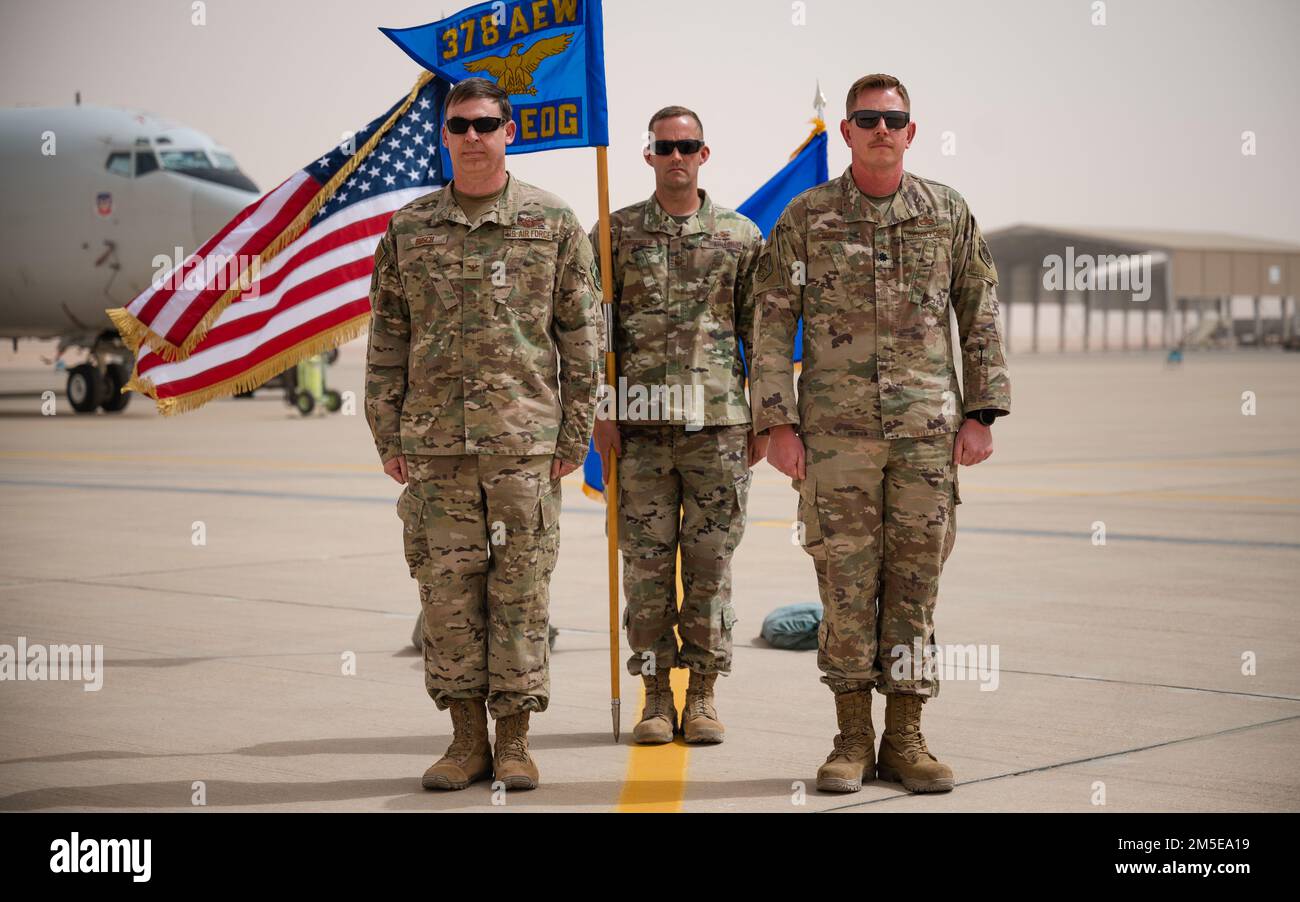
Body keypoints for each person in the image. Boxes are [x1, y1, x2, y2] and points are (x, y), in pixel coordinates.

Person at [750, 74, 1010, 794]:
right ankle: (850, 740)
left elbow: (978, 308)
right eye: (866, 118)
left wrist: (981, 411)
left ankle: (905, 738)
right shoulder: (807, 216)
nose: (880, 129)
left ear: (911, 130)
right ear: (847, 131)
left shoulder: (945, 212)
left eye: (893, 119)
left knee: (915, 588)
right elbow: (771, 320)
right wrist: (776, 421)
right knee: (843, 586)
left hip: (927, 435)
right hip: (835, 439)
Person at [365, 77, 603, 791]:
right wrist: (389, 434)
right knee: (446, 598)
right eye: (460, 125)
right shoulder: (408, 229)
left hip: (522, 449)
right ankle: (465, 740)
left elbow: (582, 341)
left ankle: (517, 740)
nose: (473, 136)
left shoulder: (552, 223)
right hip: (435, 449)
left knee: (522, 597)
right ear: (445, 135)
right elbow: (388, 339)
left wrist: (573, 437)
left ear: (510, 132)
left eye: (486, 124)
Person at [591, 105, 764, 745]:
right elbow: (590, 334)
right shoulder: (613, 234)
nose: (676, 156)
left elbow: (762, 333)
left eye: (687, 145)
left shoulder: (741, 237)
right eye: (665, 146)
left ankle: (705, 693)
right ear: (648, 155)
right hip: (637, 433)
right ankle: (656, 695)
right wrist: (598, 413)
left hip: (717, 429)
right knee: (645, 566)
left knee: (711, 563)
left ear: (704, 153)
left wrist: (767, 418)